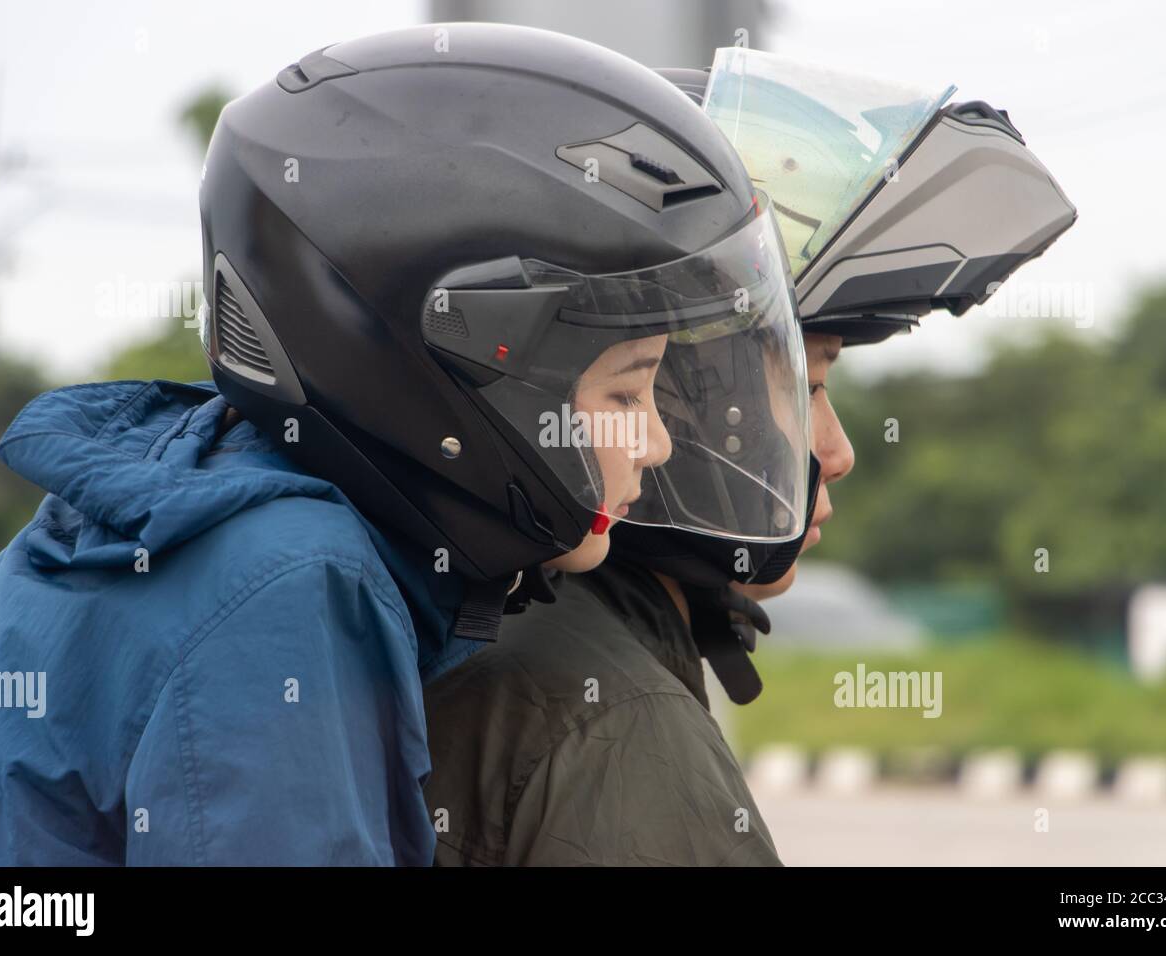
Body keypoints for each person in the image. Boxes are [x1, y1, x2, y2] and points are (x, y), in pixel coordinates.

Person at [0, 25, 811, 865]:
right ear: (453, 375)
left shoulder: (187, 507)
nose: (655, 442)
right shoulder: (290, 587)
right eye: (626, 391)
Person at [421, 48, 1077, 866]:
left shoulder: (500, 634)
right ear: (680, 403)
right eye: (809, 384)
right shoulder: (612, 721)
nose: (835, 454)